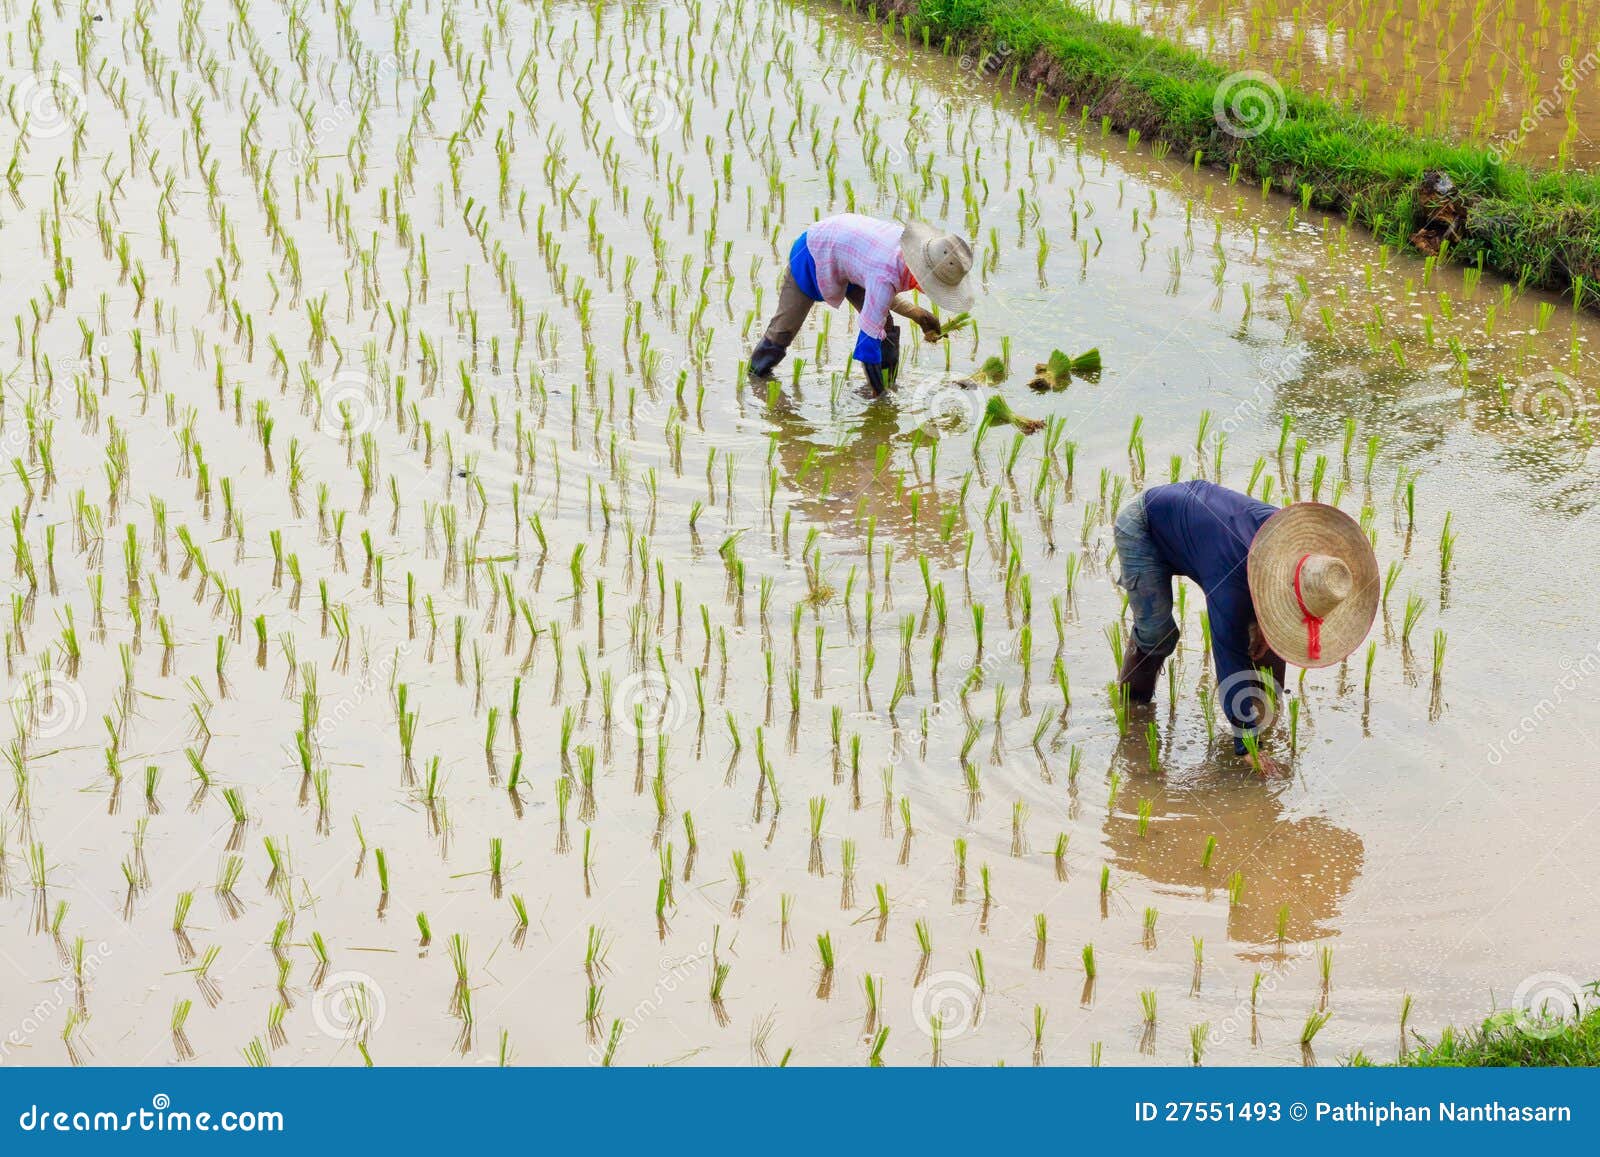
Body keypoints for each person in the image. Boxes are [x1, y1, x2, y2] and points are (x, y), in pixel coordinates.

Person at [1114, 481, 1378, 769]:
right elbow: (1229, 655)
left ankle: (1266, 711)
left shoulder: (1294, 542)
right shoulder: (1230, 583)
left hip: (1201, 531)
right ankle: (1132, 711)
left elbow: (1279, 608)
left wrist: (1269, 626)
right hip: (1146, 525)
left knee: (1272, 634)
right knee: (1158, 633)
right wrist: (1248, 745)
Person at [747, 214, 975, 398]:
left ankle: (887, 382)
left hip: (851, 261)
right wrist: (882, 399)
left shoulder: (907, 251)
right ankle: (755, 379)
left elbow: (879, 290)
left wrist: (917, 314)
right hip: (813, 252)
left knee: (884, 324)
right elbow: (868, 341)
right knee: (784, 329)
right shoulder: (886, 272)